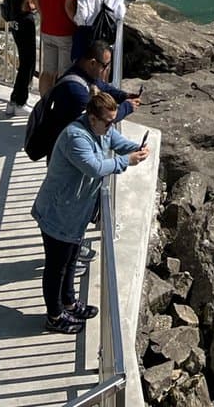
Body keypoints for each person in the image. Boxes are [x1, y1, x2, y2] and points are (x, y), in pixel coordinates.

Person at [30, 87, 149, 333]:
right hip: (57, 213)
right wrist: (126, 161)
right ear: (92, 118)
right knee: (56, 266)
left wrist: (136, 148)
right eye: (107, 122)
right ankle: (54, 317)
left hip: (74, 213)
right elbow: (94, 167)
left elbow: (116, 142)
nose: (110, 127)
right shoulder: (76, 137)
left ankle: (68, 302)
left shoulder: (102, 130)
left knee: (71, 260)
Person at [30, 40, 141, 162]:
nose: (107, 69)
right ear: (92, 63)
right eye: (105, 66)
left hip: (74, 142)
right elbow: (103, 117)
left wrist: (124, 96)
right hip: (66, 152)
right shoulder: (75, 90)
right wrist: (127, 107)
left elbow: (104, 87)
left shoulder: (83, 73)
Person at [6, 0, 51, 116]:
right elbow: (28, 4)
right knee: (28, 64)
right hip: (25, 21)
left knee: (24, 62)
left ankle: (13, 100)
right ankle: (20, 101)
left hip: (16, 21)